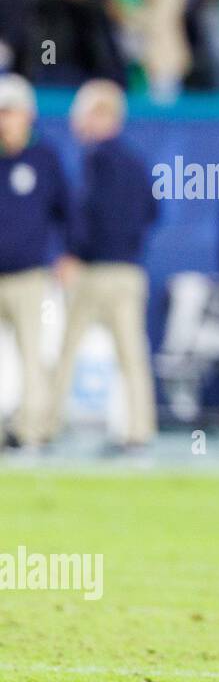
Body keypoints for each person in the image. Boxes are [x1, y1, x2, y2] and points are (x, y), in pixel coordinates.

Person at [49, 80, 158, 453]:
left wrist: (75, 253)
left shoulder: (93, 160)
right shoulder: (136, 161)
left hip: (94, 271)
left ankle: (43, 428)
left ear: (101, 115)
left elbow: (83, 213)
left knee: (65, 352)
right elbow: (152, 211)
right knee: (132, 356)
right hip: (128, 271)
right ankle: (138, 432)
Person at [0, 72, 69, 454]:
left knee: (33, 354)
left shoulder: (44, 157)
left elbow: (66, 209)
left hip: (28, 275)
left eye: (10, 111)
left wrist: (69, 254)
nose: (4, 119)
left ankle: (31, 430)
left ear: (27, 114)